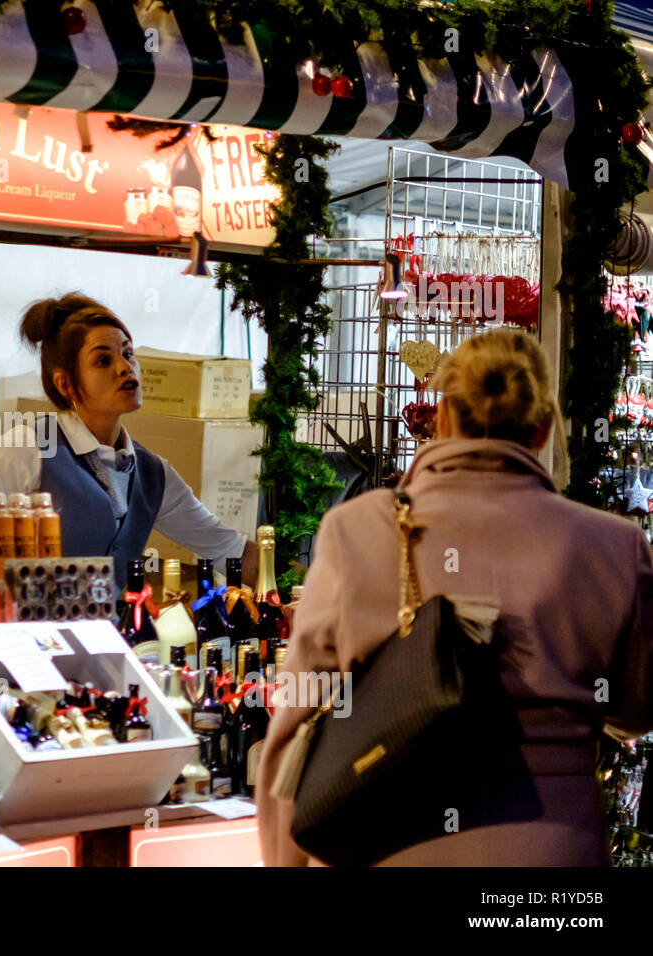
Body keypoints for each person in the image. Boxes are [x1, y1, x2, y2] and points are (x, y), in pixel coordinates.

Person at [257, 328, 653, 866]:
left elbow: (297, 723)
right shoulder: (616, 545)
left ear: (441, 418)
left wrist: (286, 859)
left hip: (397, 842)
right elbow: (634, 709)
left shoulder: (359, 531)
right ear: (542, 429)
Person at [0, 293, 255, 588]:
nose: (124, 367)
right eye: (102, 361)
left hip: (114, 638)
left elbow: (229, 549)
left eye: (127, 353)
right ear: (65, 383)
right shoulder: (28, 446)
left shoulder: (153, 473)